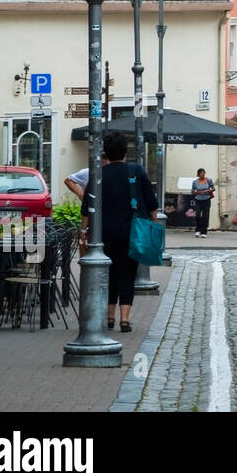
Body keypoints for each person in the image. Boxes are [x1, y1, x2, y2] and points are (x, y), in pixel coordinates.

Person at [97, 131, 158, 332]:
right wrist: (153, 223)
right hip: (132, 232)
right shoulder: (136, 170)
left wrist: (83, 230)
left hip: (105, 233)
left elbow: (88, 205)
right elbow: (151, 201)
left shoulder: (99, 174)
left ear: (106, 151)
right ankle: (124, 319)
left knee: (109, 274)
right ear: (125, 151)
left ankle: (109, 317)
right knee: (128, 274)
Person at [190, 168, 214, 237]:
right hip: (198, 200)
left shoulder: (209, 180)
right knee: (197, 215)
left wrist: (208, 191)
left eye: (203, 173)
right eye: (201, 173)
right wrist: (199, 192)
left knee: (205, 216)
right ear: (198, 174)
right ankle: (198, 230)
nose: (202, 174)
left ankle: (204, 232)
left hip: (206, 199)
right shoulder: (195, 182)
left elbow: (213, 188)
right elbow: (192, 191)